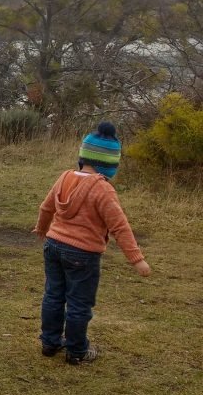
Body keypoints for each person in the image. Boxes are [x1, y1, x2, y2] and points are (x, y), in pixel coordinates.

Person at [34, 121, 151, 365]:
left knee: (53, 295)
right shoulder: (103, 190)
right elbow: (119, 226)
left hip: (53, 245)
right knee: (79, 303)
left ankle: (49, 342)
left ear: (83, 156)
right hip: (82, 254)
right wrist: (137, 259)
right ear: (110, 165)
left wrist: (43, 229)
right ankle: (77, 351)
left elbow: (46, 207)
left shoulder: (64, 177)